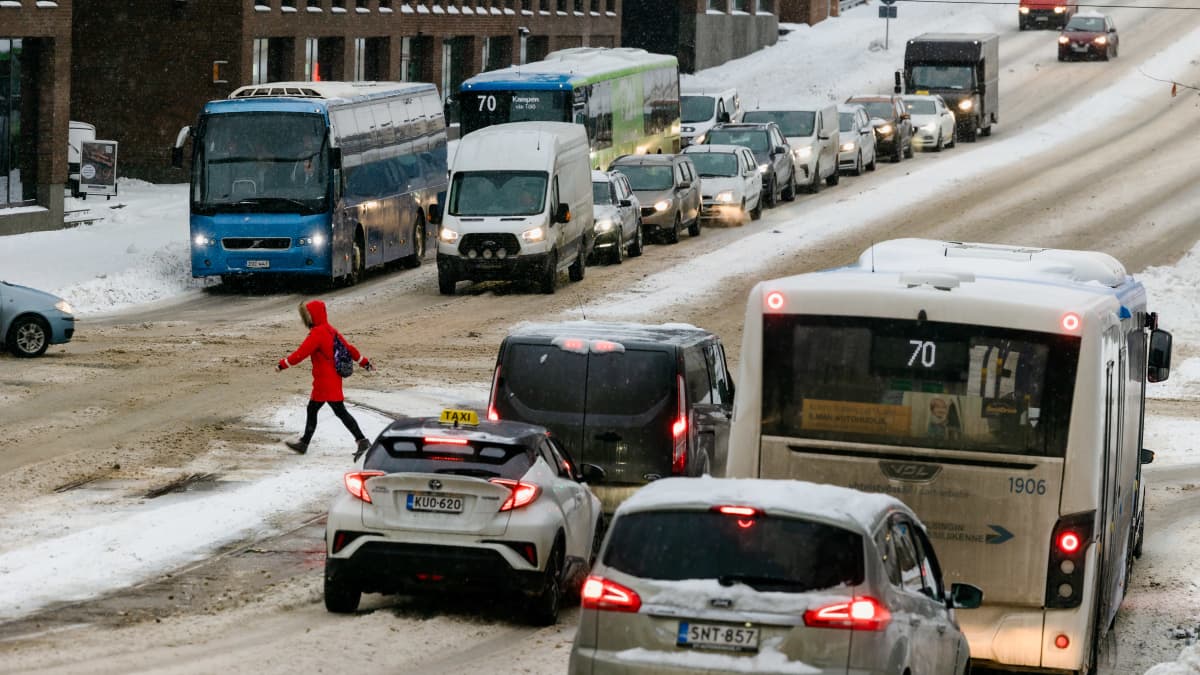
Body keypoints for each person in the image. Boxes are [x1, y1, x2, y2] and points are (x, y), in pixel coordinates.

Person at [276, 299, 374, 455]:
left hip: (324, 381)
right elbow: (350, 349)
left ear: (312, 316)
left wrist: (283, 364)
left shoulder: (317, 333)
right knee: (316, 409)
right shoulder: (331, 330)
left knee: (337, 411)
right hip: (332, 378)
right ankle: (305, 443)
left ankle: (362, 441)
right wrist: (365, 362)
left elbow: (301, 353)